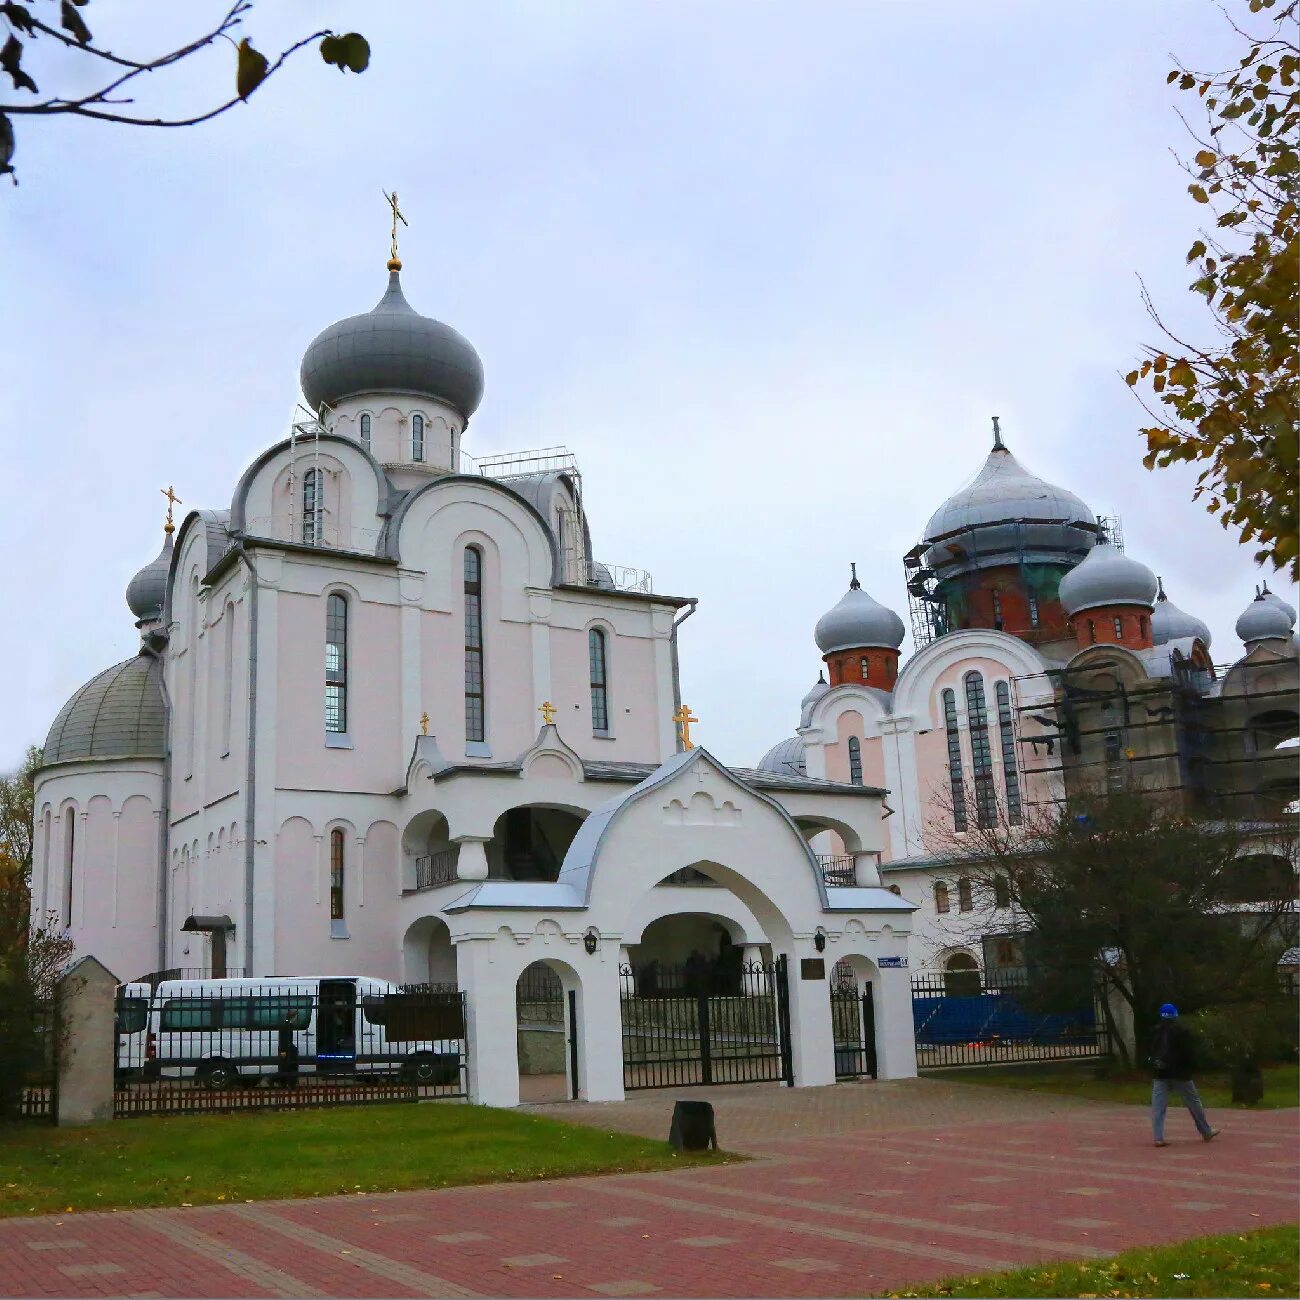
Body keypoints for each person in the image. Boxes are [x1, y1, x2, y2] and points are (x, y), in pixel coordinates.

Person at [1149, 1003, 1219, 1147]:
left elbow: (1149, 1051)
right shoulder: (1181, 1031)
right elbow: (1189, 1053)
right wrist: (1194, 1068)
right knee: (1193, 1102)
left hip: (1160, 1073)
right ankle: (1205, 1130)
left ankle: (1158, 1137)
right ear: (1175, 1014)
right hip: (1180, 1073)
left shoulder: (1155, 1031)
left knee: (1158, 1106)